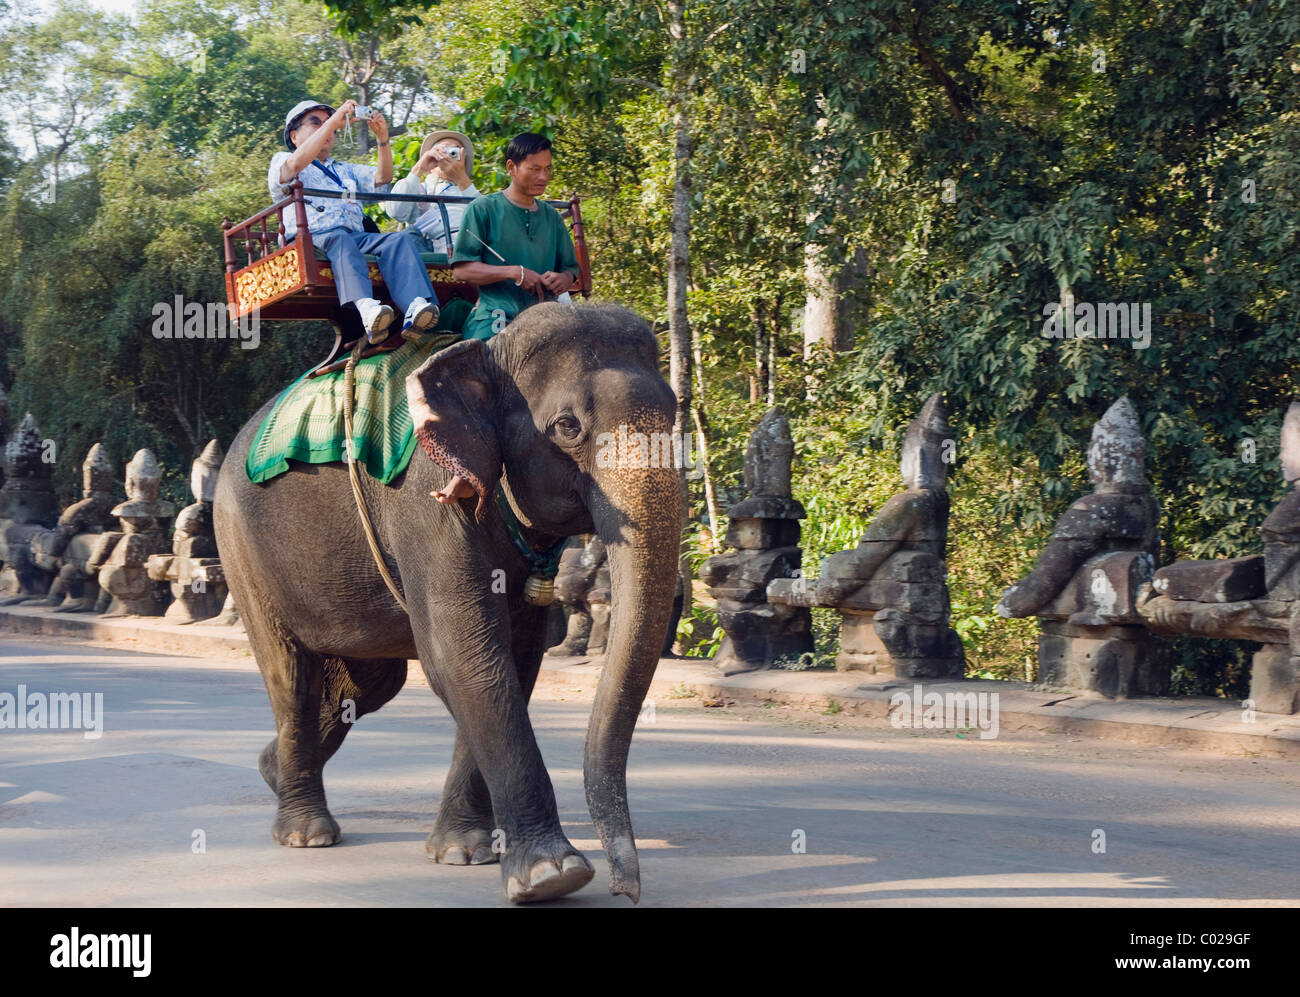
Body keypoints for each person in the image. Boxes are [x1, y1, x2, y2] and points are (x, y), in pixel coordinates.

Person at [268, 99, 439, 343]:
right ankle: (367, 309)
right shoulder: (284, 159)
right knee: (339, 239)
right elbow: (292, 166)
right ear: (294, 136)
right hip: (311, 239)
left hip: (354, 238)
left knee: (396, 240)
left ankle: (416, 306)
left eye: (329, 125)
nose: (326, 129)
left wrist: (382, 139)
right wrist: (333, 122)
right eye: (315, 122)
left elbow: (382, 179)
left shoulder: (343, 169)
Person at [450, 132, 579, 343]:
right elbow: (461, 270)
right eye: (535, 169)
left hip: (547, 319)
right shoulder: (483, 208)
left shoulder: (552, 217)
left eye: (548, 169)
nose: (544, 177)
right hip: (495, 316)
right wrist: (514, 272)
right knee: (482, 366)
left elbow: (570, 270)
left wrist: (562, 279)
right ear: (511, 167)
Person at [383, 129, 481, 255]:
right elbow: (396, 212)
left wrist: (462, 178)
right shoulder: (417, 188)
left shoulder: (467, 190)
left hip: (468, 248)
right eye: (443, 150)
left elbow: (488, 220)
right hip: (430, 250)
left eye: (455, 151)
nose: (448, 155)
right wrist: (420, 168)